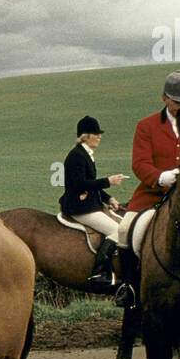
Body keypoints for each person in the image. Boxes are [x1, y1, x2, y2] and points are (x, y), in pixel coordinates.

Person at [114, 70, 180, 306]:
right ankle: (129, 286)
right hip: (153, 194)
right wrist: (160, 177)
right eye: (178, 101)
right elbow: (139, 163)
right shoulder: (146, 126)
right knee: (125, 229)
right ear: (165, 99)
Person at [59, 116, 128, 292]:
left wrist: (108, 198)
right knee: (118, 231)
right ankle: (98, 274)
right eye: (95, 134)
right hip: (79, 207)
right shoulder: (76, 156)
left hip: (89, 203)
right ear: (85, 136)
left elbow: (90, 184)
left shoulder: (86, 154)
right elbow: (80, 184)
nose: (99, 136)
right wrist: (108, 181)